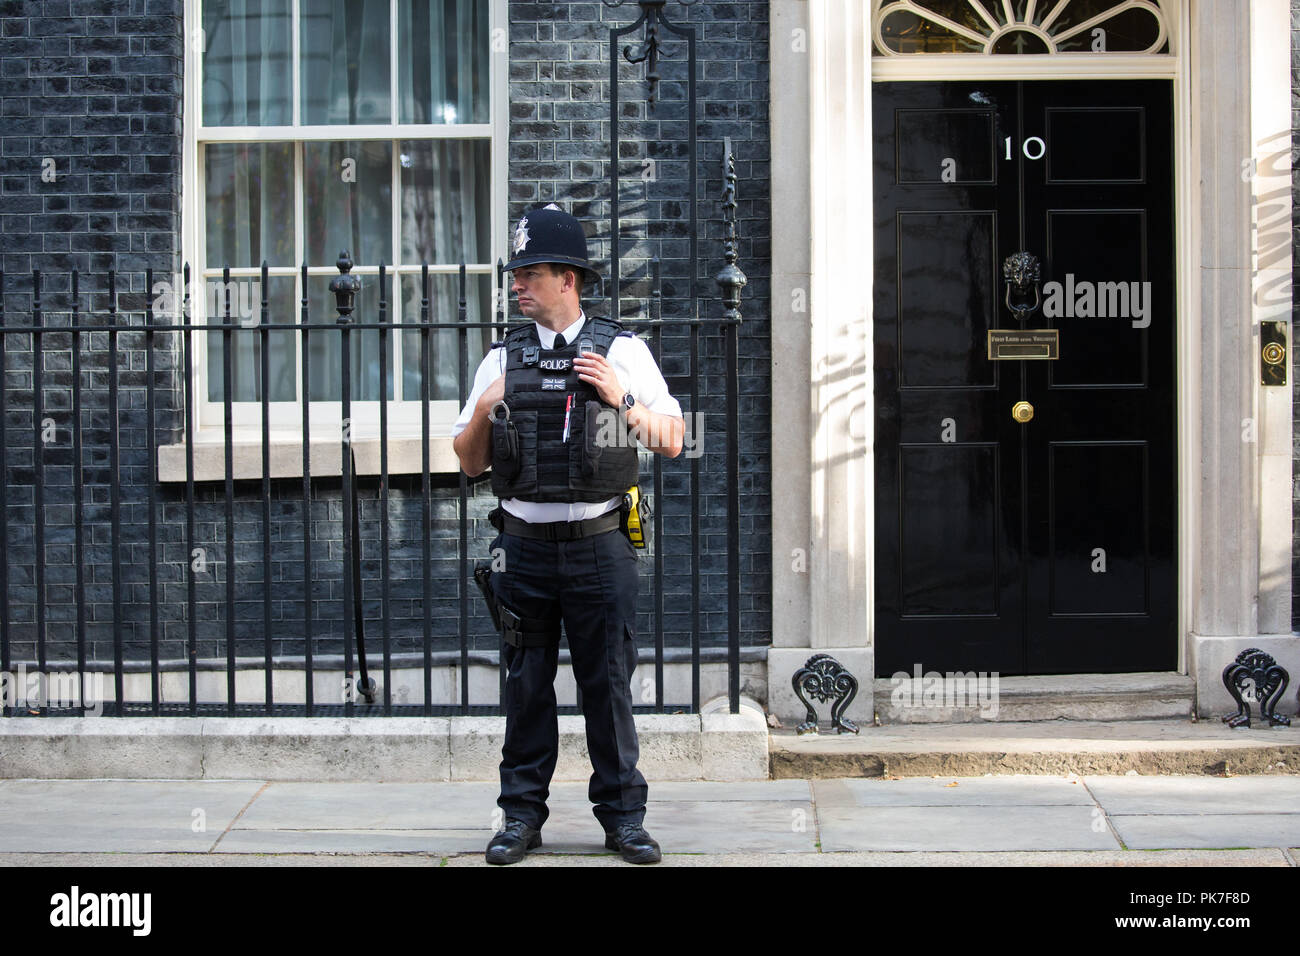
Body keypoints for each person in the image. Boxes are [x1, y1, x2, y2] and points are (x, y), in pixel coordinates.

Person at [451, 204, 684, 865]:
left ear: (568, 280)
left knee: (606, 685)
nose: (518, 285)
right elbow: (469, 461)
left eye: (530, 273)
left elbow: (673, 441)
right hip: (521, 547)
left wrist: (623, 400)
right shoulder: (501, 357)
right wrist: (487, 406)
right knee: (525, 687)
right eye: (516, 274)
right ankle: (519, 818)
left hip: (600, 545)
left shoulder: (624, 352)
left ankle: (623, 820)